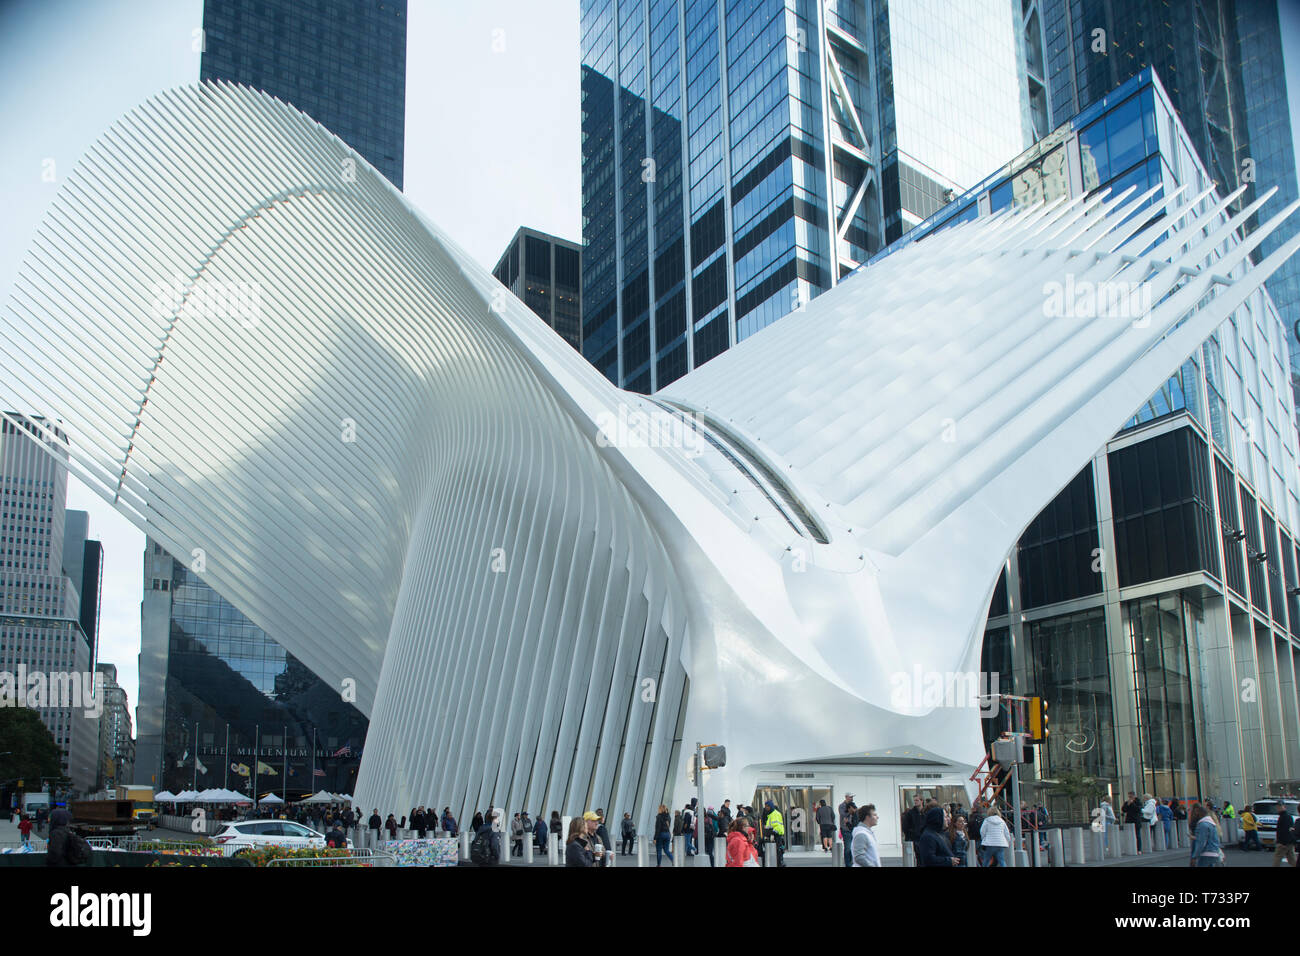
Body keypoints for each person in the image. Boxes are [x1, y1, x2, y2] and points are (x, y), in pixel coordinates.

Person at [1188, 803, 1222, 867]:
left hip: (1206, 853)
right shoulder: (1211, 823)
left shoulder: (1202, 825)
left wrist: (1194, 856)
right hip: (1214, 852)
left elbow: (1201, 842)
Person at [763, 800, 786, 867]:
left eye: (767, 806)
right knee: (777, 852)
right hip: (774, 835)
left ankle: (780, 864)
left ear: (770, 806)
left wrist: (771, 832)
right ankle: (779, 864)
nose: (766, 808)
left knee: (777, 852)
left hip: (776, 836)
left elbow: (777, 826)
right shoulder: (771, 814)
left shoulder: (775, 814)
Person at [1272, 802, 1296, 867]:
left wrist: (1282, 842)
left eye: (1280, 807)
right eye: (1277, 807)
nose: (1278, 808)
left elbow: (1286, 830)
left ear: (1284, 807)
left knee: (1277, 858)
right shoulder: (1285, 816)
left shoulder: (1285, 817)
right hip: (1289, 842)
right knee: (1292, 859)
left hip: (1283, 842)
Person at [838, 793, 858, 867]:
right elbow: (843, 815)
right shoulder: (841, 806)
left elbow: (856, 813)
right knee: (848, 848)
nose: (852, 798)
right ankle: (848, 864)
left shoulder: (853, 804)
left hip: (853, 829)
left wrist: (854, 811)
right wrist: (851, 811)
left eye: (852, 797)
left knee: (852, 848)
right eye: (850, 797)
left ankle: (852, 863)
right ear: (846, 797)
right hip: (846, 829)